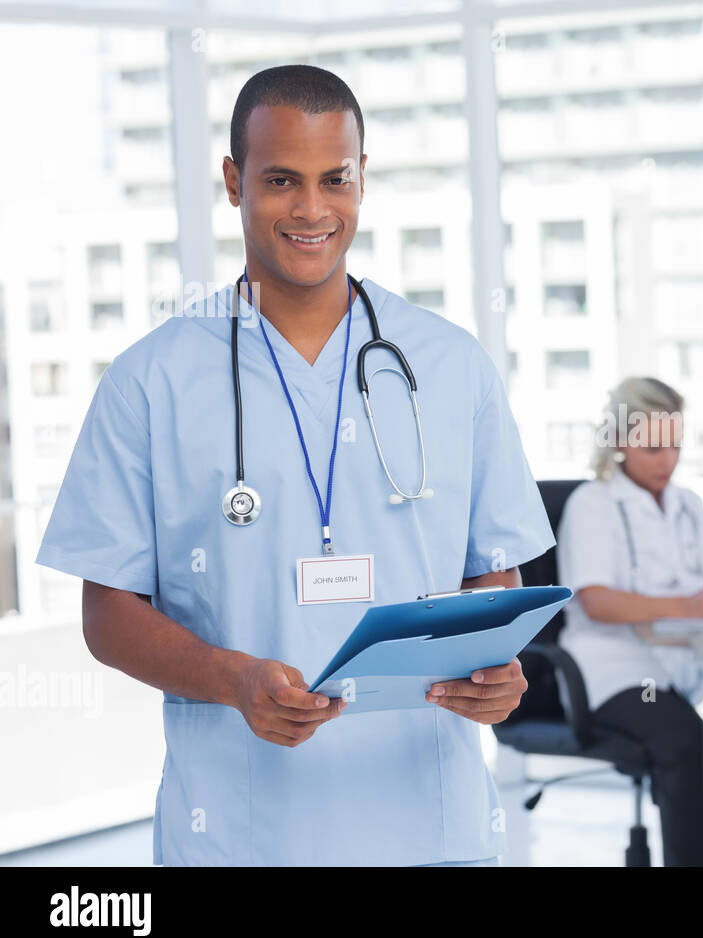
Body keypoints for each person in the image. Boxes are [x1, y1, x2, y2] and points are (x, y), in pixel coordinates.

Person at [35, 65, 554, 866]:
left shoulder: (453, 366)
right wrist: (230, 677)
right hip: (241, 831)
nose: (312, 210)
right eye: (281, 181)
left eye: (333, 180)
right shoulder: (152, 380)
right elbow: (107, 614)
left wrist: (495, 668)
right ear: (234, 181)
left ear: (361, 178)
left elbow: (494, 577)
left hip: (431, 825)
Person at [555, 377, 703, 866]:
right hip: (614, 669)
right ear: (619, 441)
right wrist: (686, 606)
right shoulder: (592, 504)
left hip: (681, 666)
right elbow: (597, 602)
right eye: (653, 447)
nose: (667, 461)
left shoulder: (688, 505)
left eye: (675, 445)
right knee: (686, 744)